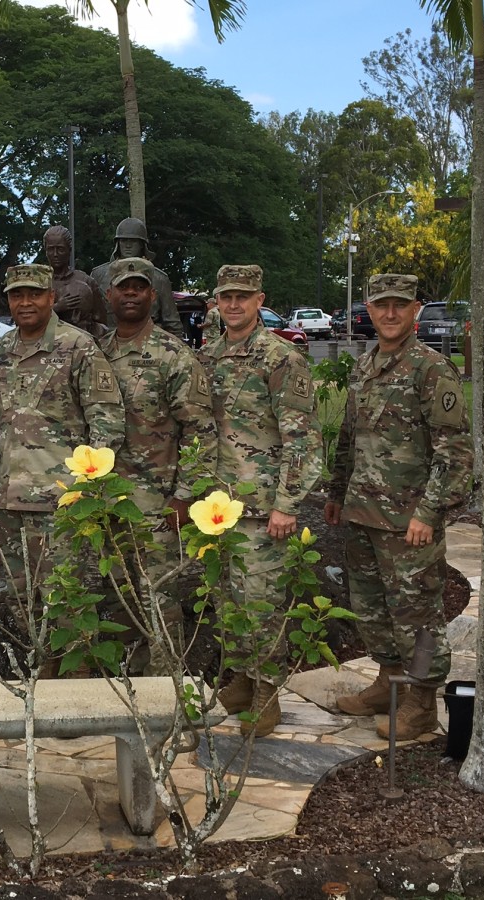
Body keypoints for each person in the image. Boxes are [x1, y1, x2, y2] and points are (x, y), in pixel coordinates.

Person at [326, 273, 473, 741]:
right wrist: (335, 492)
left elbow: (455, 451)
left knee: (416, 612)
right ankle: (389, 679)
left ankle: (423, 701)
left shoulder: (432, 369)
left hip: (409, 520)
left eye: (400, 305)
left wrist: (429, 513)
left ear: (416, 309)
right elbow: (349, 438)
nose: (389, 313)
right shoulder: (365, 366)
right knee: (371, 608)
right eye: (381, 305)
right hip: (362, 514)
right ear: (368, 309)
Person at [203, 264, 323, 737]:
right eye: (226, 296)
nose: (234, 304)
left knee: (262, 603)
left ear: (260, 300)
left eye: (243, 296)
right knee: (226, 597)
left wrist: (287, 504)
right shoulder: (209, 355)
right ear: (216, 300)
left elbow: (304, 439)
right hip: (219, 503)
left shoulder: (280, 358)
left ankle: (267, 690)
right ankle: (240, 679)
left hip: (261, 504)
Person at [0, 264, 124, 623]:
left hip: (63, 501)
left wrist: (89, 487)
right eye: (16, 295)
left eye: (34, 294)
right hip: (11, 501)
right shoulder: (1, 351)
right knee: (20, 596)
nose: (25, 302)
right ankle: (37, 670)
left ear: (51, 298)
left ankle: (75, 672)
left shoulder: (78, 347)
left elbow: (106, 420)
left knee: (67, 596)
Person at [97, 257, 217, 673]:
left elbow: (199, 432)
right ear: (109, 294)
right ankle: (124, 685)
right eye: (122, 287)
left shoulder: (173, 355)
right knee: (117, 597)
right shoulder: (97, 353)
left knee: (159, 599)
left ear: (151, 295)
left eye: (139, 287)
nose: (130, 294)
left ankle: (166, 692)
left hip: (157, 505)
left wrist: (185, 497)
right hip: (107, 502)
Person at [90, 217, 182, 335]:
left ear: (142, 245)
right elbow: (89, 318)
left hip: (150, 346)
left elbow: (173, 325)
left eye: (133, 241)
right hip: (107, 345)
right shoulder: (98, 275)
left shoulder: (159, 278)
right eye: (124, 241)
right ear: (117, 243)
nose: (128, 245)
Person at [43, 225, 106, 336]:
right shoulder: (38, 282)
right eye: (51, 249)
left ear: (69, 250)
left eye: (61, 249)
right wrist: (57, 308)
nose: (55, 254)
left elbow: (101, 320)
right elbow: (27, 321)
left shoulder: (86, 281)